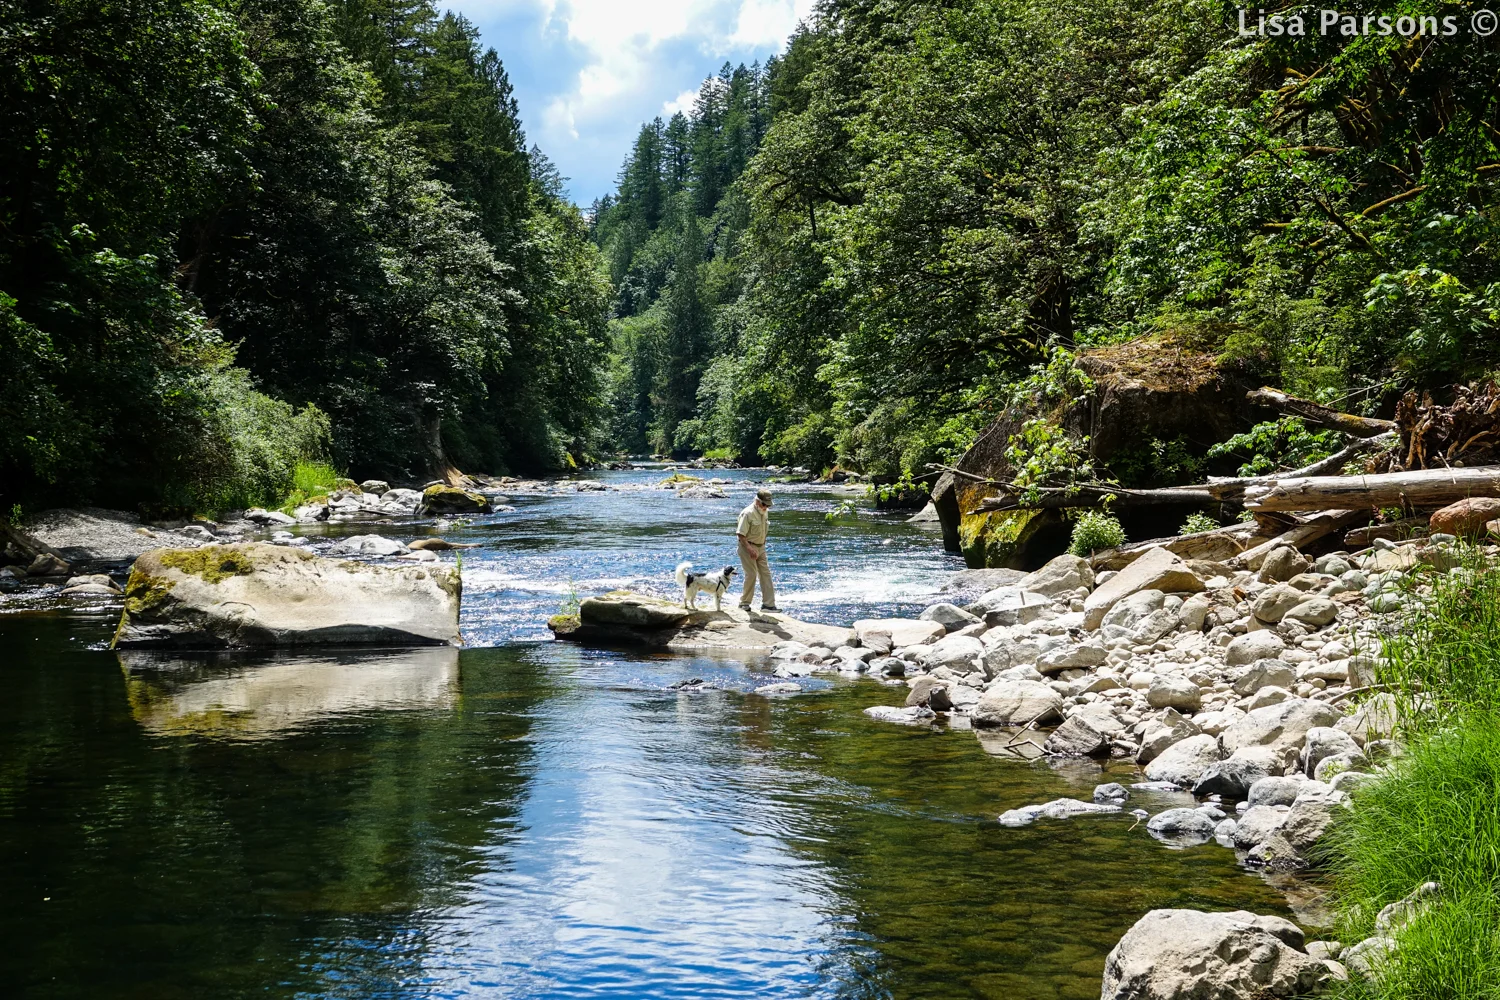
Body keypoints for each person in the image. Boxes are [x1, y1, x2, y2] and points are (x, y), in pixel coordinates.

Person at [736, 488, 777, 612]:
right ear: (757, 501)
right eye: (764, 504)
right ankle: (744, 603)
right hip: (747, 547)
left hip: (761, 547)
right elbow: (740, 534)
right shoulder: (747, 513)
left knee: (766, 574)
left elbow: (764, 529)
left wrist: (763, 543)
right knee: (751, 574)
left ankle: (768, 605)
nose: (766, 507)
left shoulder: (764, 511)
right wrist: (750, 549)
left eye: (768, 505)